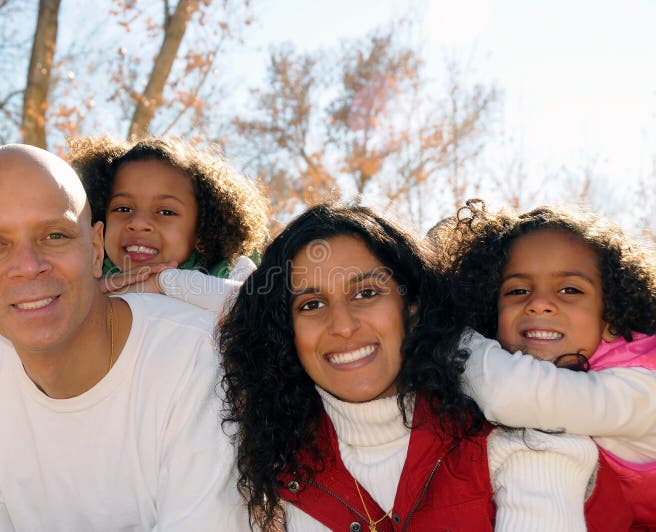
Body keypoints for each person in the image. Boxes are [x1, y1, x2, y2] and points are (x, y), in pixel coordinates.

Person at [218, 203, 627, 531]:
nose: (342, 326)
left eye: (366, 293)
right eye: (311, 304)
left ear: (411, 307)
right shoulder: (274, 472)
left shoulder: (522, 440)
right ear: (285, 331)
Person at [0, 144, 247, 530]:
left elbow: (270, 304)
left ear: (94, 248)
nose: (28, 266)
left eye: (54, 235)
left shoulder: (199, 353)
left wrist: (167, 282)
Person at [442, 199, 656, 526]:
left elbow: (511, 394)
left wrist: (447, 337)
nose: (539, 303)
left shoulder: (642, 389)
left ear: (611, 314)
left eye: (569, 289)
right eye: (517, 291)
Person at [0, 135, 269, 334]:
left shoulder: (229, 270)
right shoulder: (88, 274)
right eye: (123, 209)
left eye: (166, 212)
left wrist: (163, 283)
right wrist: (92, 292)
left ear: (202, 229)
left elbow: (260, 310)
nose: (139, 223)